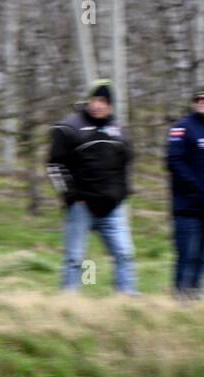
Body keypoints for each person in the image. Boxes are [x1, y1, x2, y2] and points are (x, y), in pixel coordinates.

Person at [47, 79, 138, 296]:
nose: (98, 105)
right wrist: (71, 196)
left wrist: (122, 194)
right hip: (81, 205)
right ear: (88, 100)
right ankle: (69, 300)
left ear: (111, 105)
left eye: (104, 101)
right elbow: (54, 167)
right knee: (75, 257)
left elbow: (126, 166)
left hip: (112, 207)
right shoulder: (69, 128)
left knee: (125, 253)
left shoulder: (119, 132)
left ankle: (127, 297)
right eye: (95, 100)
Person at [166, 85, 204, 301]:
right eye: (200, 99)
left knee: (202, 256)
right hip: (188, 207)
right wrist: (197, 189)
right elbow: (175, 162)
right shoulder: (182, 128)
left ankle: (196, 295)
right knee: (186, 255)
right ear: (193, 103)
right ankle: (180, 297)